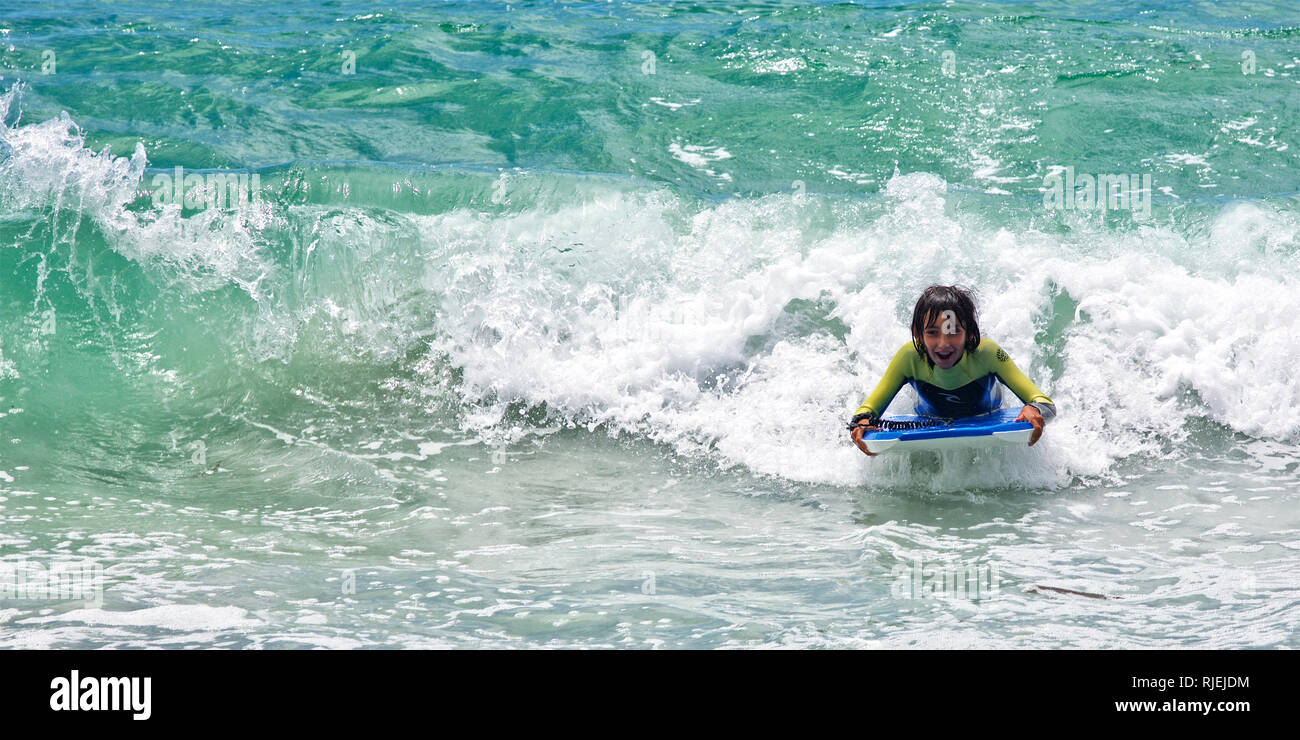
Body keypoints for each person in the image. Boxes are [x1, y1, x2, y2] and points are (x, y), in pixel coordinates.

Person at [849, 285, 1056, 457]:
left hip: (985, 415)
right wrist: (862, 423)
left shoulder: (988, 353)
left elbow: (1044, 402)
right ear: (917, 333)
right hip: (930, 420)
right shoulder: (908, 357)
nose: (943, 344)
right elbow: (866, 410)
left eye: (954, 331)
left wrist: (1034, 409)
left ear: (970, 332)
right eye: (932, 333)